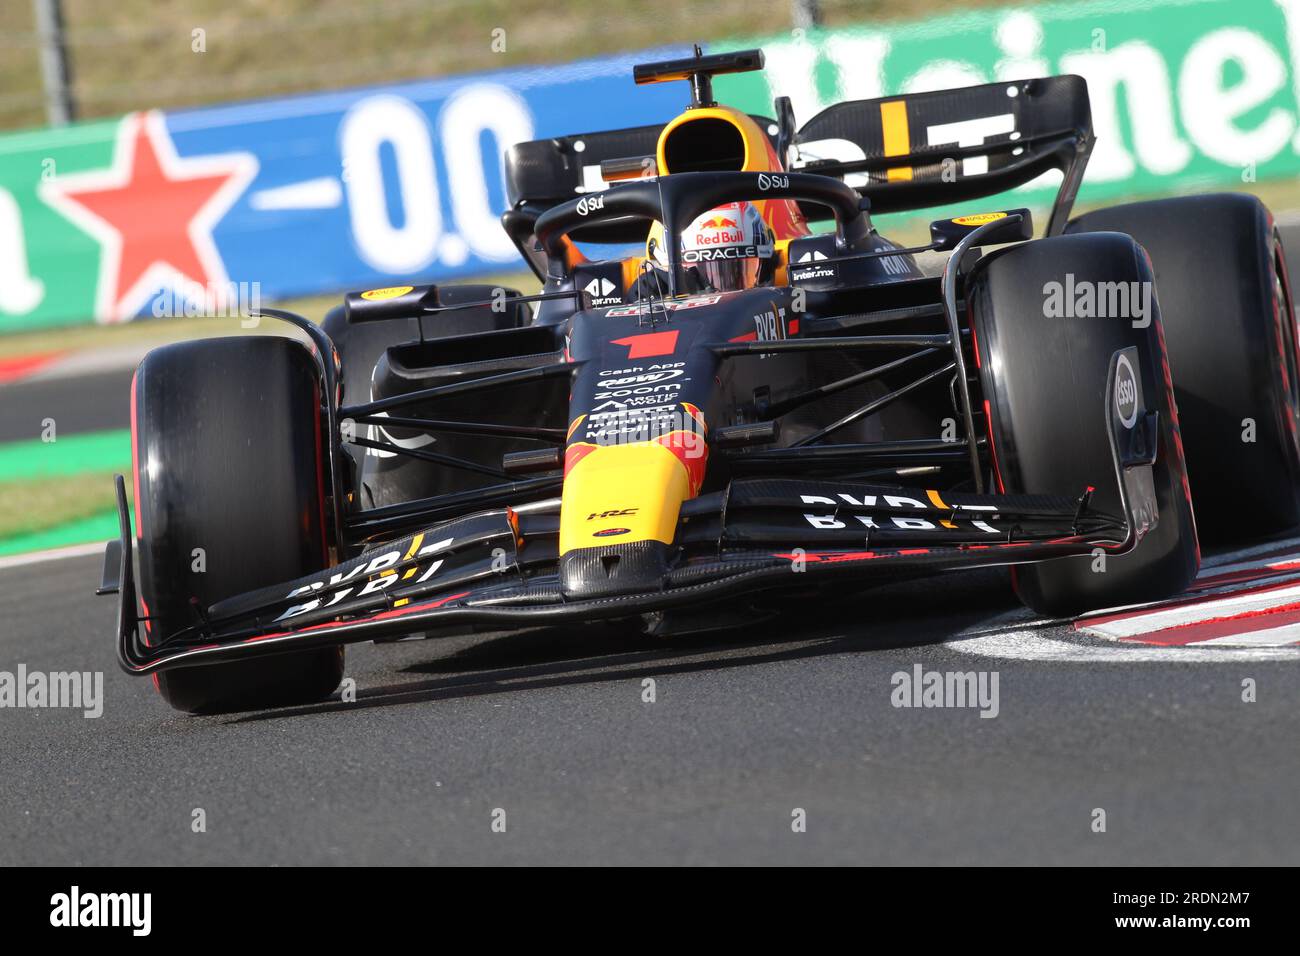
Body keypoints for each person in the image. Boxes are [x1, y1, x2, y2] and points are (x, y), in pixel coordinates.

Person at [634, 200, 776, 299]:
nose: (724, 296)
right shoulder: (645, 297)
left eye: (740, 272)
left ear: (764, 268)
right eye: (707, 276)